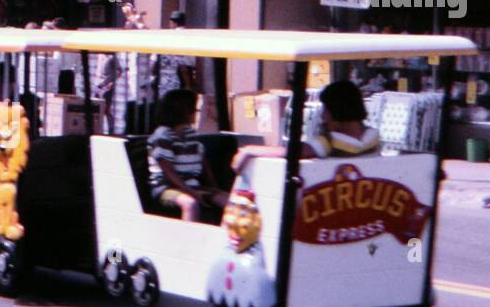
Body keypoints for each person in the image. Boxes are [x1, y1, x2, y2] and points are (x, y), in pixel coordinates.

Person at [232, 78, 380, 177]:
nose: (323, 117)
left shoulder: (330, 142)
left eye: (326, 111)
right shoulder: (373, 137)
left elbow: (295, 151)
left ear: (337, 111)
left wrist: (250, 150)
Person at [148, 88, 225, 222]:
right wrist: (191, 192)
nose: (197, 113)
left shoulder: (190, 133)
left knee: (229, 200)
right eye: (194, 109)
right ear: (183, 111)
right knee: (190, 204)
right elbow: (168, 171)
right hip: (166, 188)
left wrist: (214, 187)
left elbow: (203, 162)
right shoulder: (163, 136)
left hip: (191, 185)